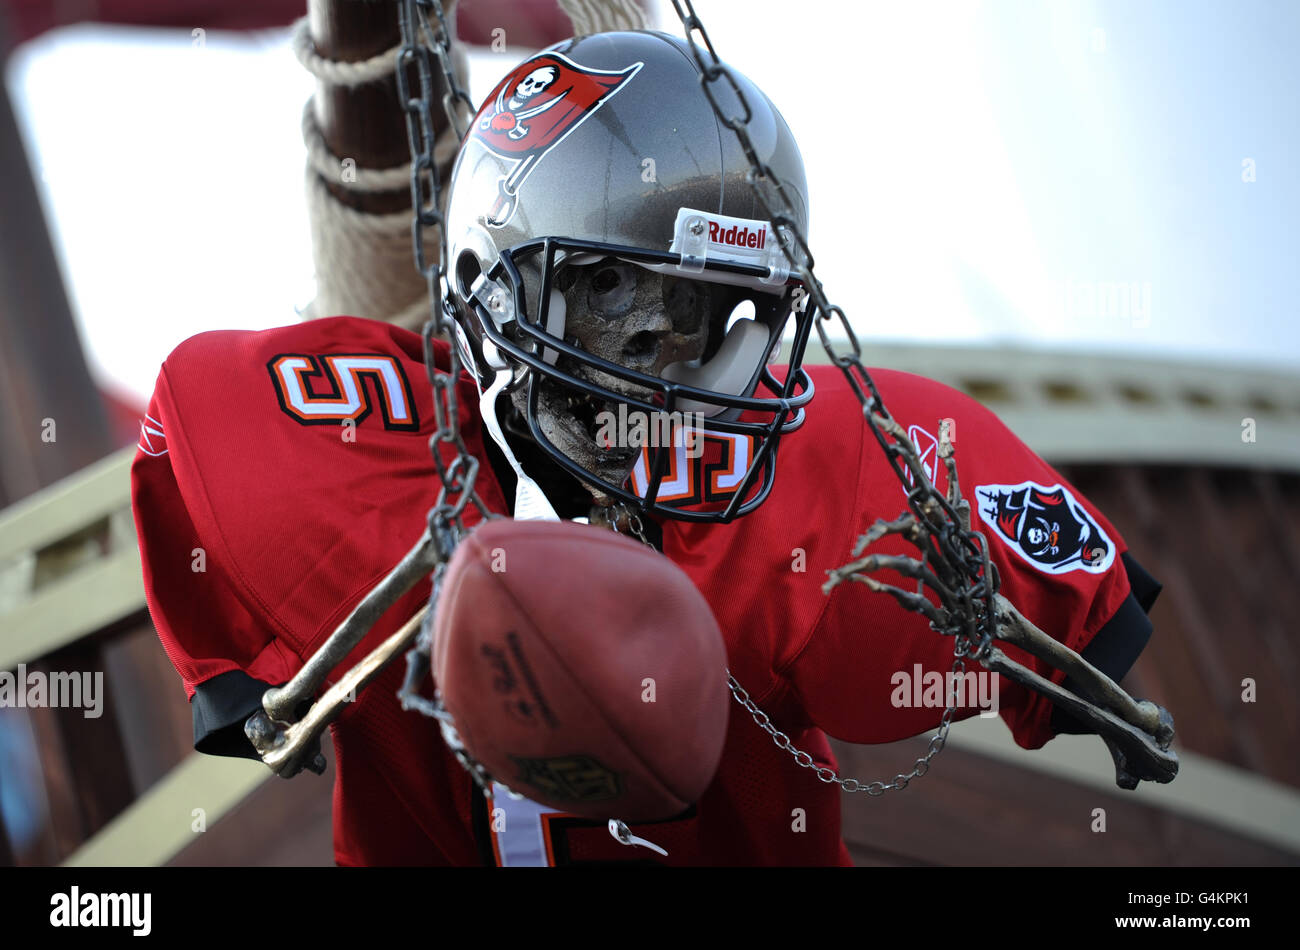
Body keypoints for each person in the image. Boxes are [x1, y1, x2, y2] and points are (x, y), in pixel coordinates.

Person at [131, 30, 1161, 866]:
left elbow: (1068, 610)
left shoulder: (813, 478)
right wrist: (236, 666)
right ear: (499, 277)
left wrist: (1076, 672)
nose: (690, 362)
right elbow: (190, 432)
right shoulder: (375, 442)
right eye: (632, 297)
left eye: (721, 315)